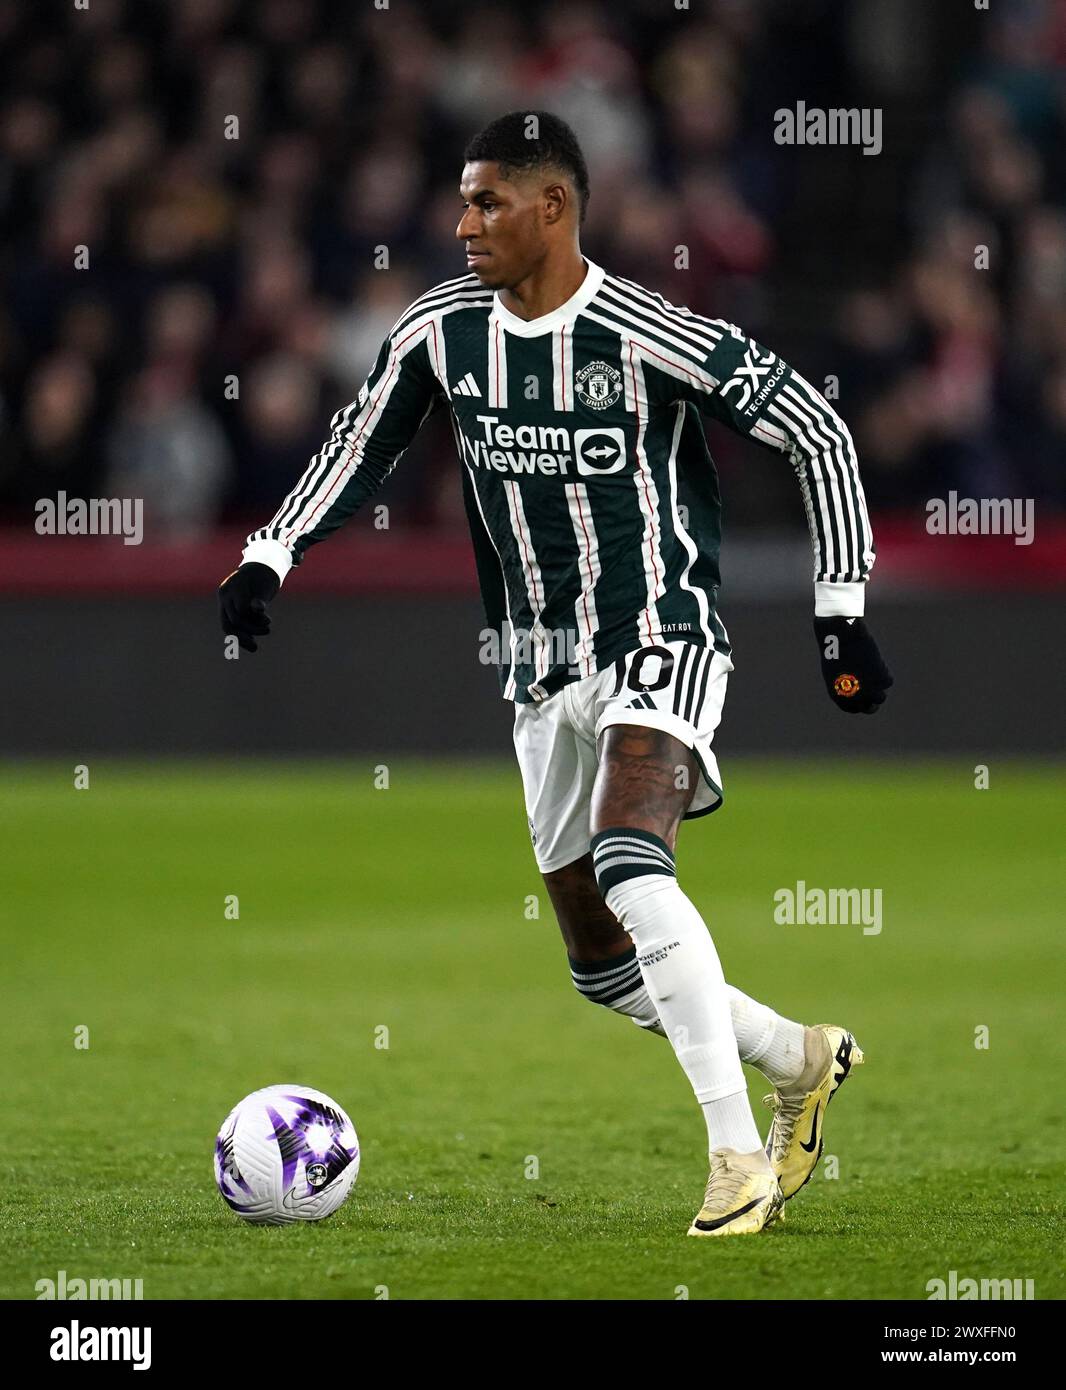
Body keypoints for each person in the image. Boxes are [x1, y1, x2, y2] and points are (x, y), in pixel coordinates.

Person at [219, 111, 892, 1236]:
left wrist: (840, 620)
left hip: (659, 637)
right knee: (599, 963)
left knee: (635, 862)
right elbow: (359, 441)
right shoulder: (440, 331)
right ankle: (799, 1057)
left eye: (486, 201)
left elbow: (815, 428)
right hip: (535, 669)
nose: (461, 222)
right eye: (462, 199)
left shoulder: (645, 332)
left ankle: (738, 1166)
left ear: (554, 207)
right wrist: (268, 552)